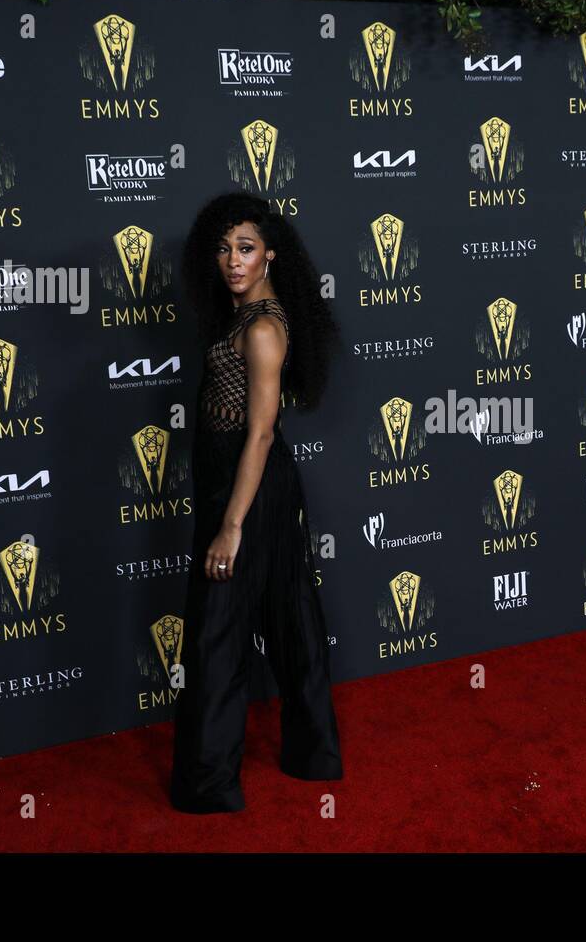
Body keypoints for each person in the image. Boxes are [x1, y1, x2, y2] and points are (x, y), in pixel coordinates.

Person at [170, 192, 343, 813]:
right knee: (291, 617)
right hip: (245, 483)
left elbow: (262, 432)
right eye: (222, 249)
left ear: (270, 253)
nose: (232, 261)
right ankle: (314, 752)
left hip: (250, 491)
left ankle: (211, 784)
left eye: (245, 248)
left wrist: (231, 526)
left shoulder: (264, 328)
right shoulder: (241, 316)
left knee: (218, 633)